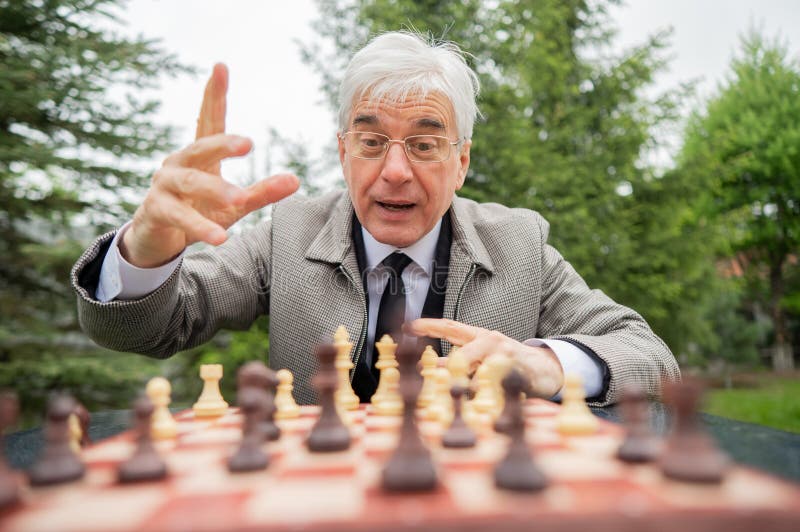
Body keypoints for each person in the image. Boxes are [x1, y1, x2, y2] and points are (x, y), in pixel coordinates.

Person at [71, 31, 679, 406]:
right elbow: (142, 330)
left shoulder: (520, 243)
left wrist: (545, 364)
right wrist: (147, 247)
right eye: (370, 142)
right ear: (342, 152)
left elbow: (650, 358)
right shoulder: (288, 235)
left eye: (423, 142)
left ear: (461, 161)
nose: (393, 171)